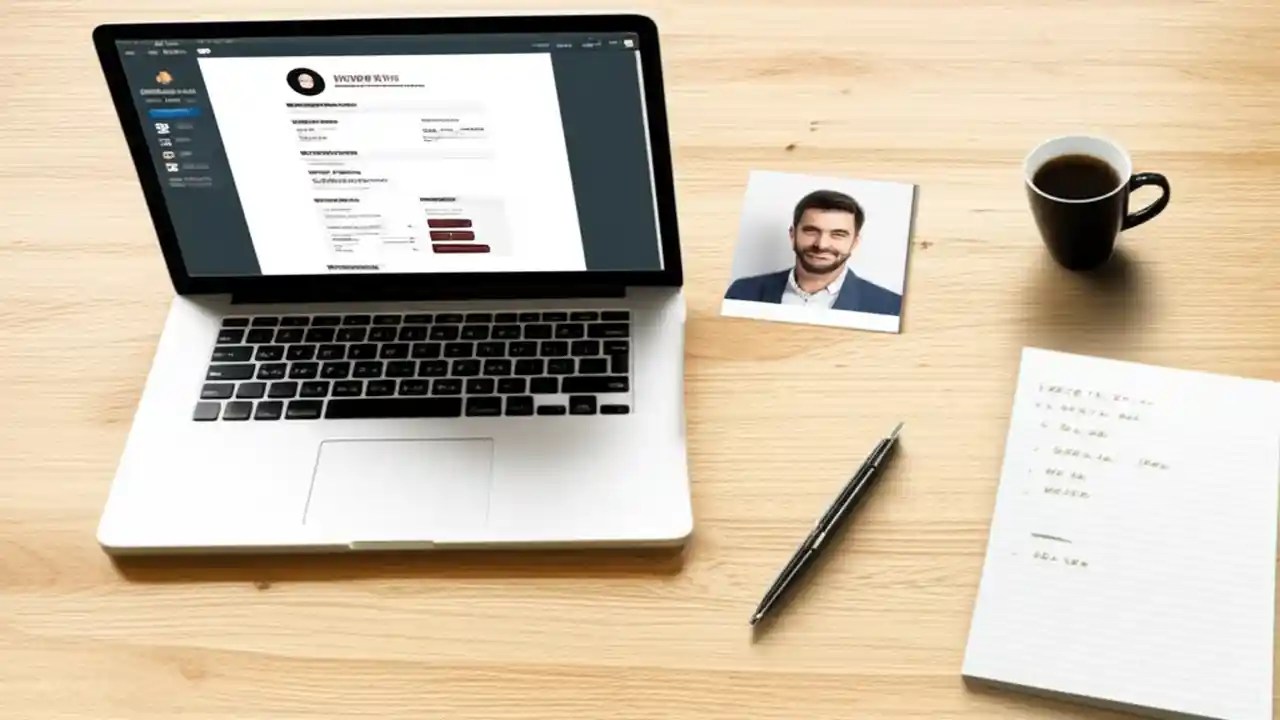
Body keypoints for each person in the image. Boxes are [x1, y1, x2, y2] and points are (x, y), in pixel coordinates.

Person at [724, 189, 902, 316]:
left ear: (854, 242)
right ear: (793, 234)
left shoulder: (891, 306)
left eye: (838, 234)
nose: (821, 244)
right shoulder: (742, 292)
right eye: (811, 231)